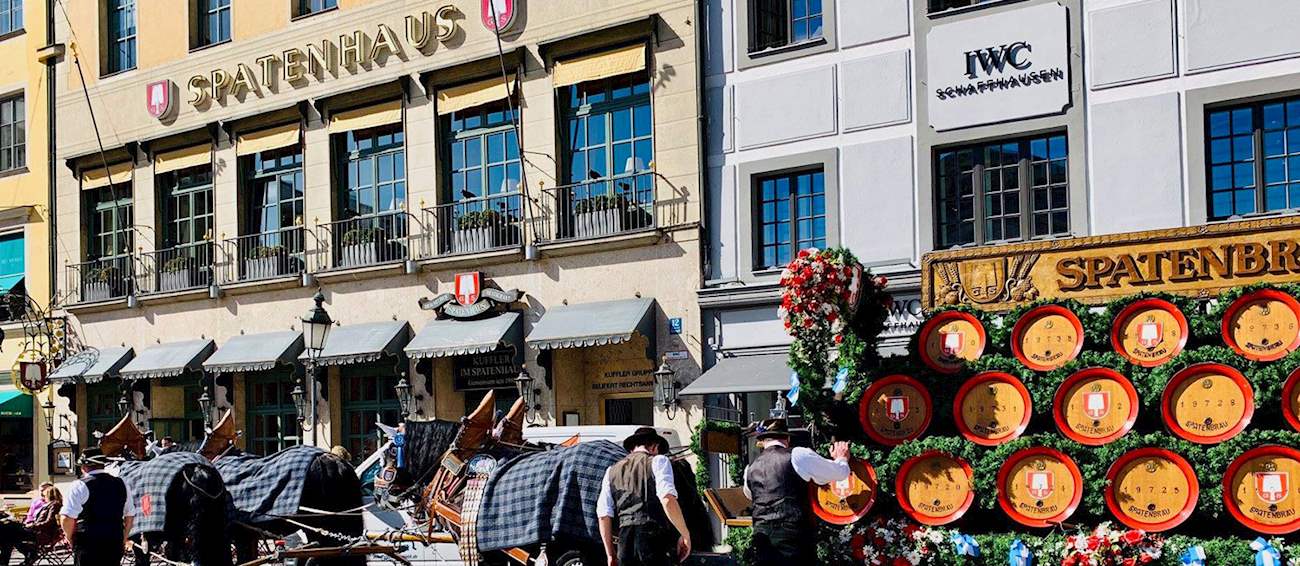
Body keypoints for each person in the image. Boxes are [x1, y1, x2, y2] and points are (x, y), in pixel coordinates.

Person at [742, 418, 851, 565]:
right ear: (787, 438)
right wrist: (841, 459)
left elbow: (750, 494)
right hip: (793, 537)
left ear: (763, 441)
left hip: (763, 538)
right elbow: (839, 474)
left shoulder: (750, 468)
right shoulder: (797, 455)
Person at [597, 427, 692, 566]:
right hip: (653, 538)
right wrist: (685, 534)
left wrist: (610, 554)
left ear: (631, 449)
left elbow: (603, 515)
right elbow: (667, 499)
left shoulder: (611, 471)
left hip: (625, 542)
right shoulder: (659, 461)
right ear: (655, 446)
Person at [60, 448, 136, 566]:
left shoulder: (79, 485)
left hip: (88, 541)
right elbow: (129, 516)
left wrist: (70, 538)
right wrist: (123, 537)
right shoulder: (121, 484)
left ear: (84, 467)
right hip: (113, 539)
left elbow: (67, 518)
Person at [1, 485, 65, 566]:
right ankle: (28, 554)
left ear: (50, 495)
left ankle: (27, 554)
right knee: (8, 534)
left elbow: (49, 522)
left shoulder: (54, 505)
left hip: (41, 533)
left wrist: (32, 525)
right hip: (36, 530)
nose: (43, 496)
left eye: (44, 495)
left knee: (8, 529)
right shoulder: (50, 505)